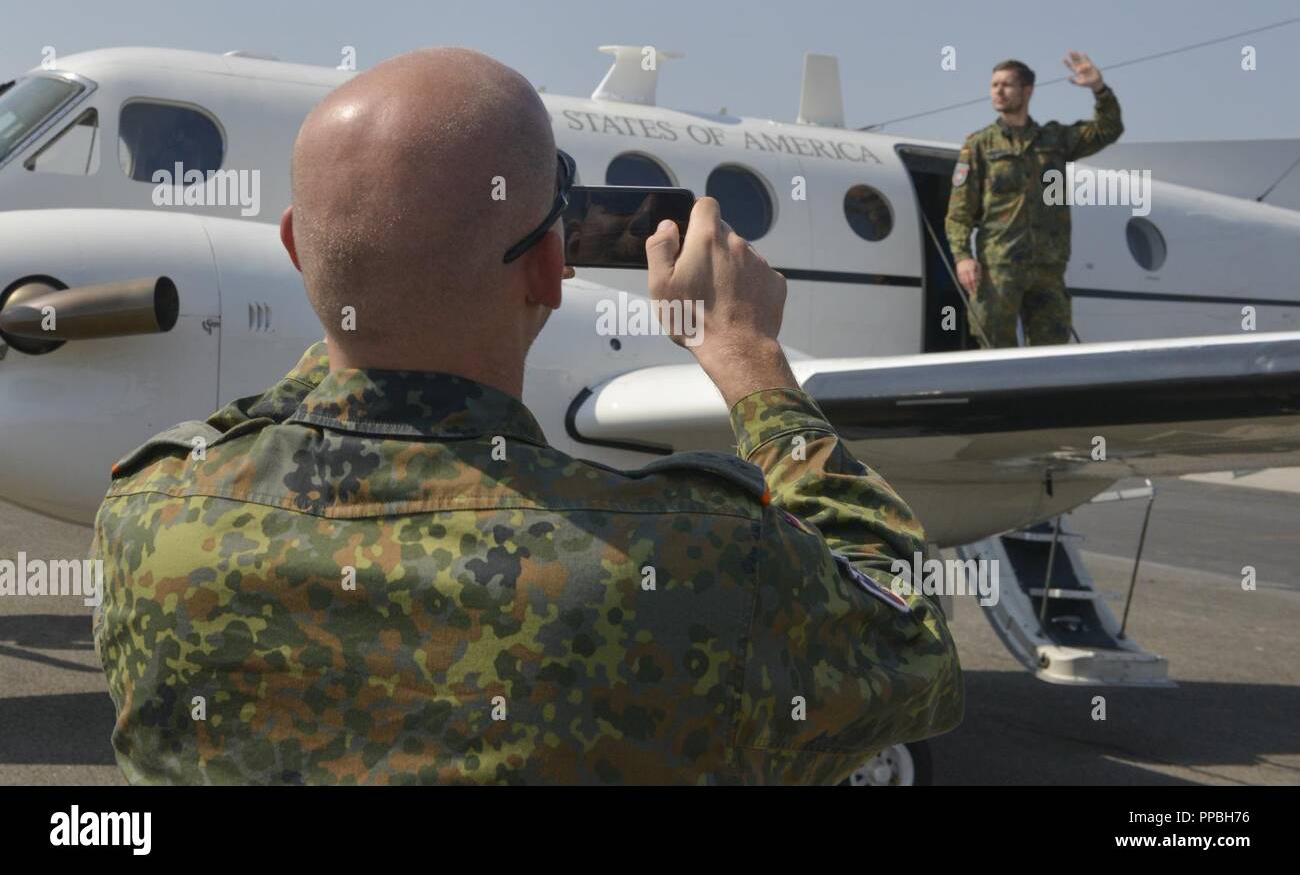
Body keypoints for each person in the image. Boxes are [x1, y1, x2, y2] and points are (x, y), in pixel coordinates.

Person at [91, 48, 962, 786]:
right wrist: (747, 358)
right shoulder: (700, 563)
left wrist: (358, 296)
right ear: (551, 268)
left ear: (293, 249)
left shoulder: (147, 521)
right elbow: (909, 639)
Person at [945, 52, 1124, 348]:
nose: (998, 91)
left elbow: (1108, 129)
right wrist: (962, 257)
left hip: (1048, 267)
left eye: (1006, 85)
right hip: (1000, 265)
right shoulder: (979, 145)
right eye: (994, 85)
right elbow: (959, 211)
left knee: (1051, 349)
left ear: (1027, 91)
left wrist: (1099, 89)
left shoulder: (1054, 140)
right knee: (993, 345)